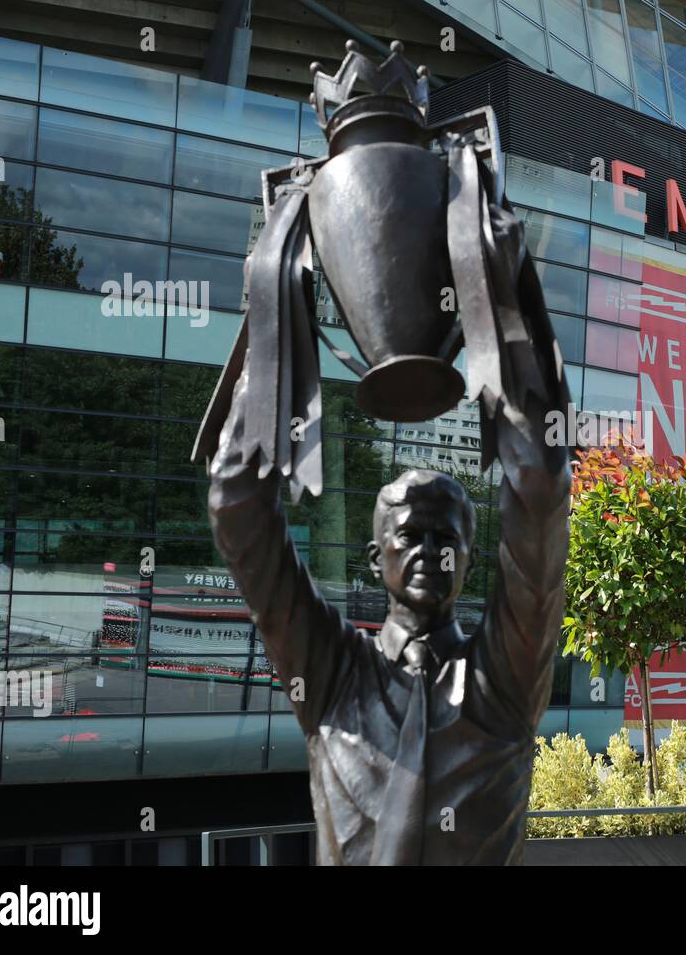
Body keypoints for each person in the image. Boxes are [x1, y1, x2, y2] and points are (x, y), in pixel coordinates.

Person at [206, 325, 569, 864]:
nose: (427, 550)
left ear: (469, 560)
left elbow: (540, 492)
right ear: (377, 559)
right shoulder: (331, 675)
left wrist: (500, 303)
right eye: (409, 535)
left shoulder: (504, 682)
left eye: (445, 538)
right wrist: (277, 326)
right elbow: (236, 503)